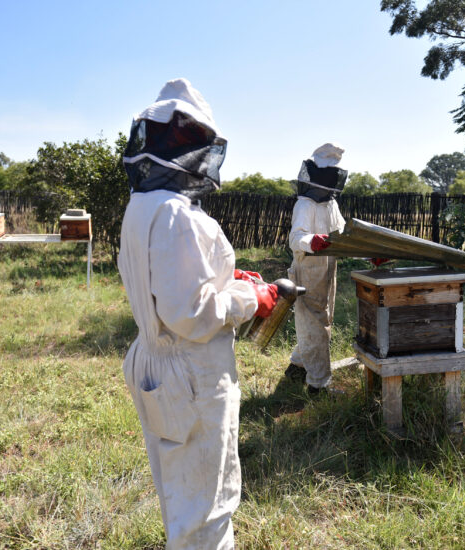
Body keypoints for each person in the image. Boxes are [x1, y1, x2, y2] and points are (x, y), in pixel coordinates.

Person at [118, 78, 278, 550]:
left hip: (154, 361)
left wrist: (231, 280)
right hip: (192, 371)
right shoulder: (176, 214)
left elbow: (173, 285)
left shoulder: (141, 206)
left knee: (180, 491)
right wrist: (255, 298)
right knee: (208, 506)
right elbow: (194, 313)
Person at [286, 143, 348, 394]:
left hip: (327, 268)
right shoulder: (305, 205)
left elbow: (343, 233)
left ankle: (297, 366)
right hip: (306, 269)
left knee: (322, 319)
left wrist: (367, 254)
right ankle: (318, 385)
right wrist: (311, 241)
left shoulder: (330, 205)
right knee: (315, 325)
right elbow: (295, 238)